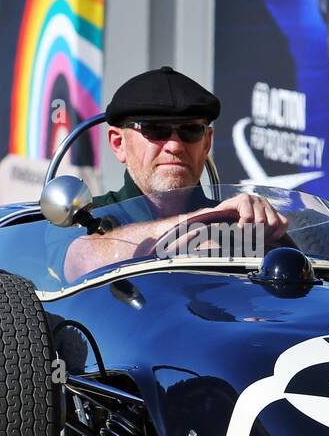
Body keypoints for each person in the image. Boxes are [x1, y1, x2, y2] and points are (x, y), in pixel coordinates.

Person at [64, 67, 287, 281]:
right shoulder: (82, 219)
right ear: (118, 143)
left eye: (190, 130)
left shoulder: (238, 226)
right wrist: (198, 223)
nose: (175, 146)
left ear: (207, 142)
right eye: (155, 130)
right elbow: (78, 263)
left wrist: (264, 225)